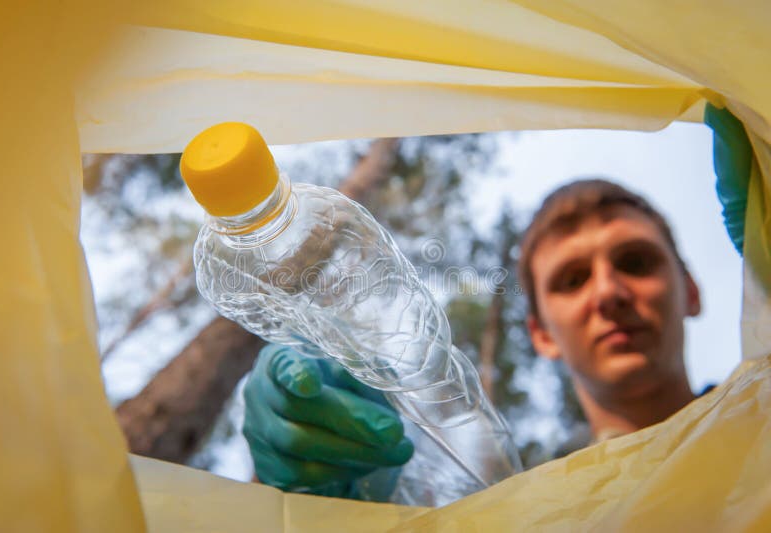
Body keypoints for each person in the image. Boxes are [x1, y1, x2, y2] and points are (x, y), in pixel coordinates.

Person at [240, 103, 754, 498]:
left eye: (637, 263)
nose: (609, 293)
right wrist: (311, 493)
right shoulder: (519, 506)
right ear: (541, 334)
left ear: (690, 290)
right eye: (572, 279)